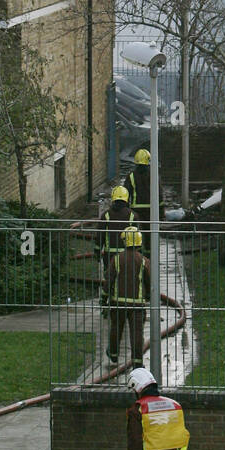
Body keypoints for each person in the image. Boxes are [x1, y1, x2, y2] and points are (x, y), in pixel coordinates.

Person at [105, 227, 149, 367]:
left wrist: (104, 298)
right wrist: (147, 296)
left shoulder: (117, 259)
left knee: (116, 329)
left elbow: (109, 280)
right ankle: (137, 362)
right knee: (137, 333)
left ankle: (113, 354)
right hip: (137, 304)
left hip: (118, 303)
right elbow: (148, 281)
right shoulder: (143, 260)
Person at [123, 148, 164, 258]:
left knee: (137, 235)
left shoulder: (131, 176)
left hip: (136, 211)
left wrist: (126, 212)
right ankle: (150, 260)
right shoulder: (154, 175)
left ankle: (138, 257)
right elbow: (160, 195)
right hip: (151, 211)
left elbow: (125, 195)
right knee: (150, 236)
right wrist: (161, 213)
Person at [100, 185, 133, 302]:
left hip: (109, 255)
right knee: (126, 278)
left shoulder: (106, 215)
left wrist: (96, 251)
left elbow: (100, 236)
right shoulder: (133, 215)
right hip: (128, 255)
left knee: (110, 278)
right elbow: (138, 235)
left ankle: (108, 301)